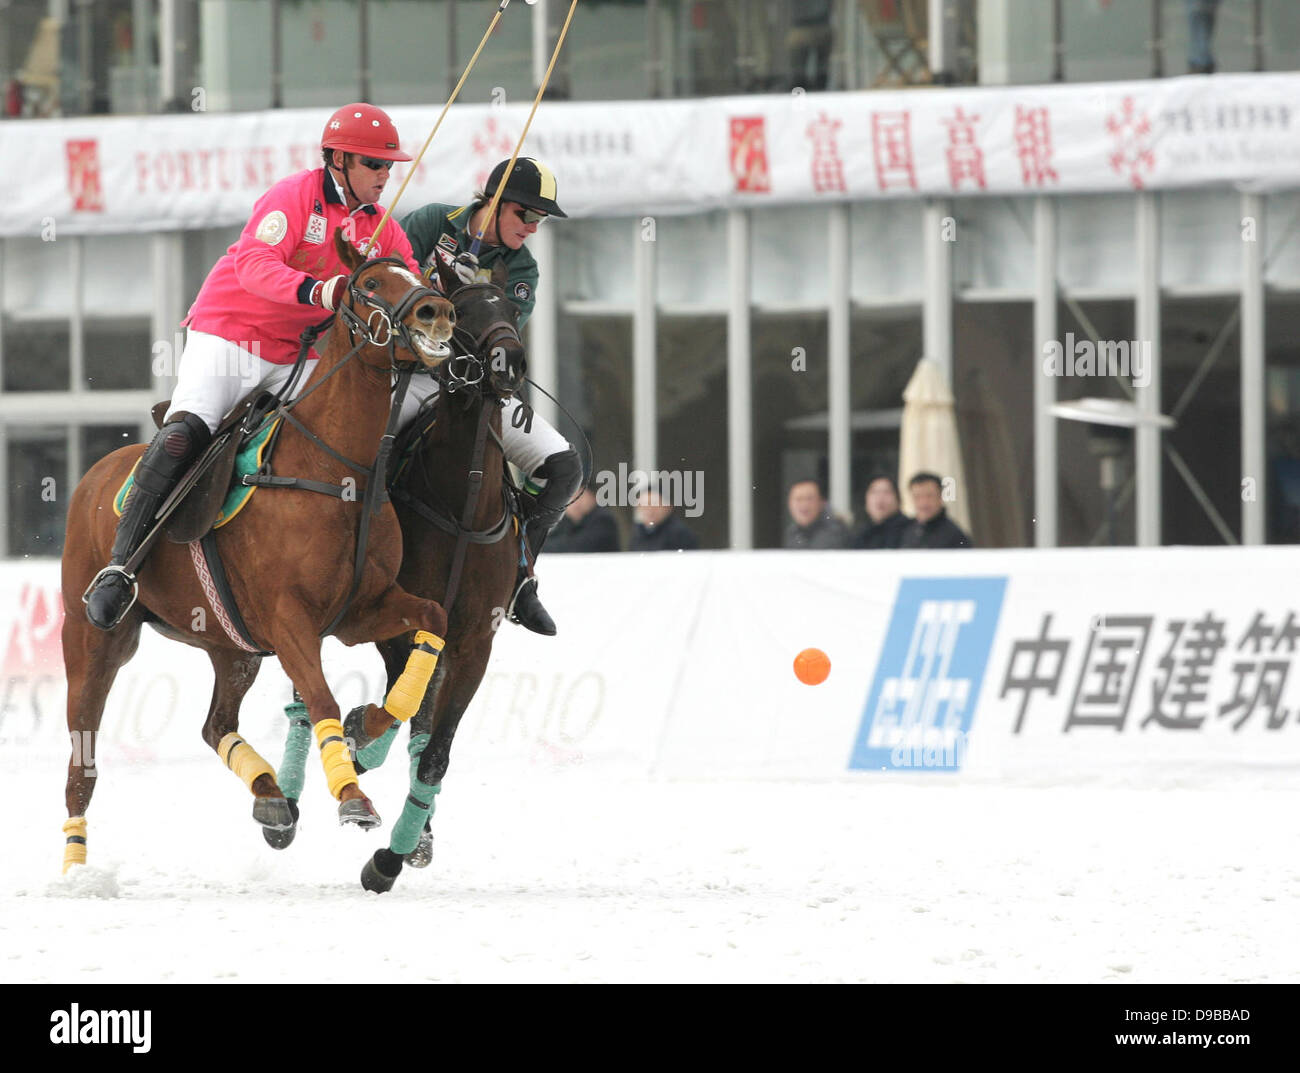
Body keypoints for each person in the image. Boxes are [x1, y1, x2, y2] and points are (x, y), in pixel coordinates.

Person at [84, 103, 420, 630]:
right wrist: (319, 289)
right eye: (374, 164)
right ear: (338, 161)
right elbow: (254, 263)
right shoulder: (294, 197)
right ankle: (120, 567)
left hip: (300, 353)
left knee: (351, 440)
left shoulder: (382, 228)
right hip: (232, 334)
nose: (385, 175)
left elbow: (412, 284)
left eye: (388, 166)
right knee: (184, 434)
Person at [400, 158, 581, 637]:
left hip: (470, 389)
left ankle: (521, 576)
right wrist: (430, 283)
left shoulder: (521, 268)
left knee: (564, 468)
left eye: (540, 221)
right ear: (495, 202)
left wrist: (472, 287)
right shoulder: (431, 222)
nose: (532, 228)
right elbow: (384, 285)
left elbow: (497, 342)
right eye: (527, 215)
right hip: (408, 378)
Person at [899, 472, 972, 549]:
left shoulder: (955, 536)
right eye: (917, 497)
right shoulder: (906, 530)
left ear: (940, 497)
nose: (923, 503)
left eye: (929, 496)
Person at [549, 486, 620, 553]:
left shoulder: (604, 520)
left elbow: (577, 547)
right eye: (569, 497)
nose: (575, 503)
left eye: (579, 496)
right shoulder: (564, 522)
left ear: (592, 495)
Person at [783, 478, 848, 549]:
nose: (804, 505)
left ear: (822, 502)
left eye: (809, 499)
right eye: (798, 499)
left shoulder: (836, 533)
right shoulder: (792, 534)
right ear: (789, 503)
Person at [851, 474, 911, 550]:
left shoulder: (910, 532)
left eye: (886, 492)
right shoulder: (861, 535)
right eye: (875, 492)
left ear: (898, 500)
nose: (880, 498)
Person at [629, 489, 699, 552]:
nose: (649, 510)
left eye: (654, 504)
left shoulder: (679, 534)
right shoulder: (637, 533)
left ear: (668, 507)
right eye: (643, 505)